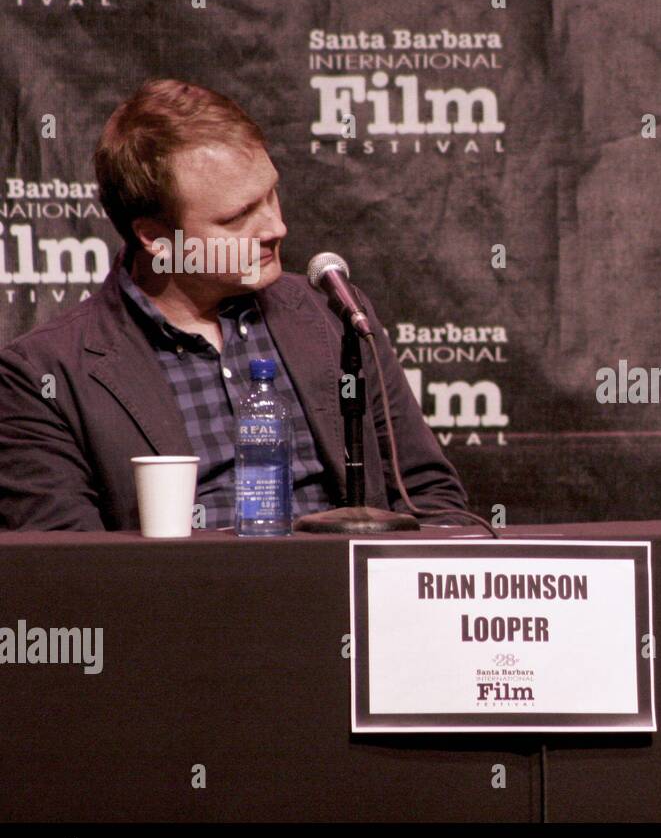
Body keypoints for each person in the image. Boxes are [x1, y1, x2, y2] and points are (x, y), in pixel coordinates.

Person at [0, 79, 468, 531]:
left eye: (271, 195)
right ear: (157, 239)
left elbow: (427, 497)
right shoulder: (43, 374)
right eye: (239, 216)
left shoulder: (333, 315)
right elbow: (64, 566)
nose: (275, 227)